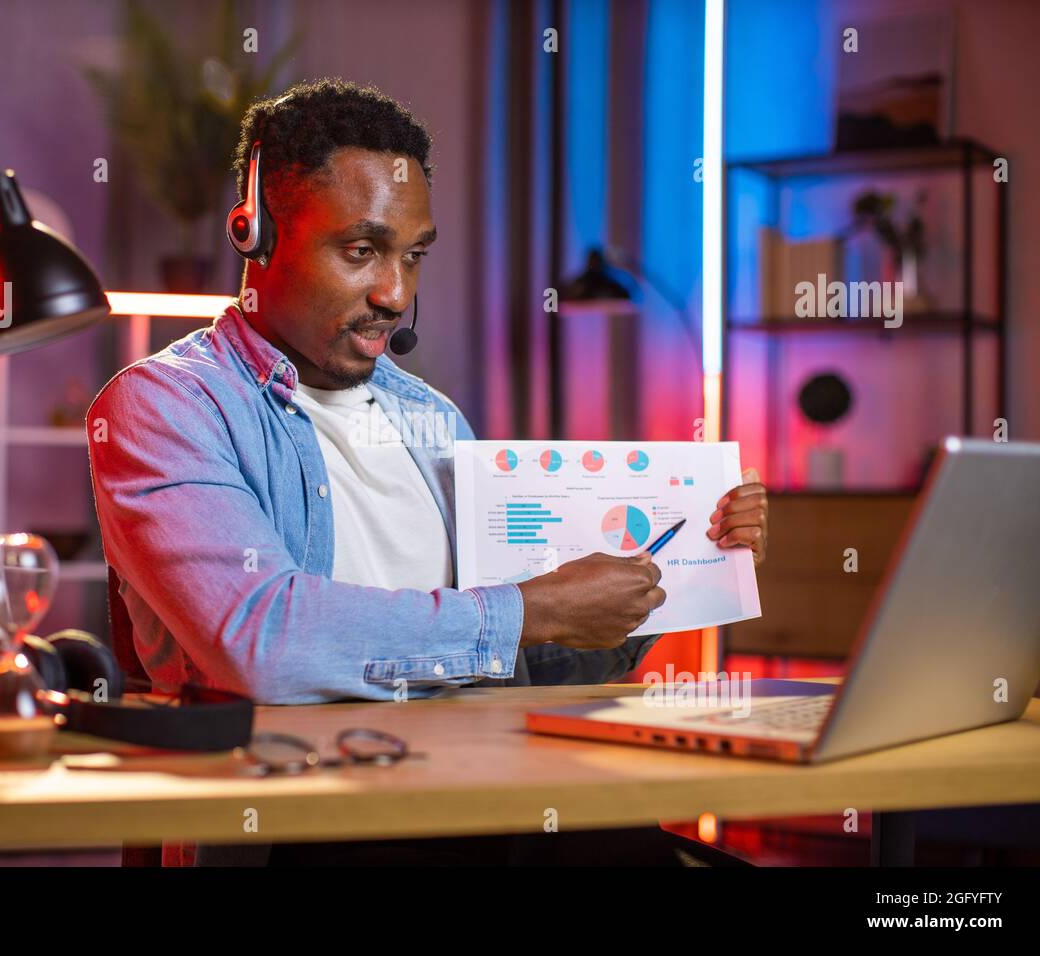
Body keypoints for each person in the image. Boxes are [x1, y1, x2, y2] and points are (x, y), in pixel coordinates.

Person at [87, 79, 769, 865]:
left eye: (412, 257)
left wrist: (687, 570)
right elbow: (263, 643)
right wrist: (523, 611)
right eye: (361, 251)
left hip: (485, 798)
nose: (395, 293)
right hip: (306, 825)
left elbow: (526, 660)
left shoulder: (433, 420)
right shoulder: (163, 408)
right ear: (255, 235)